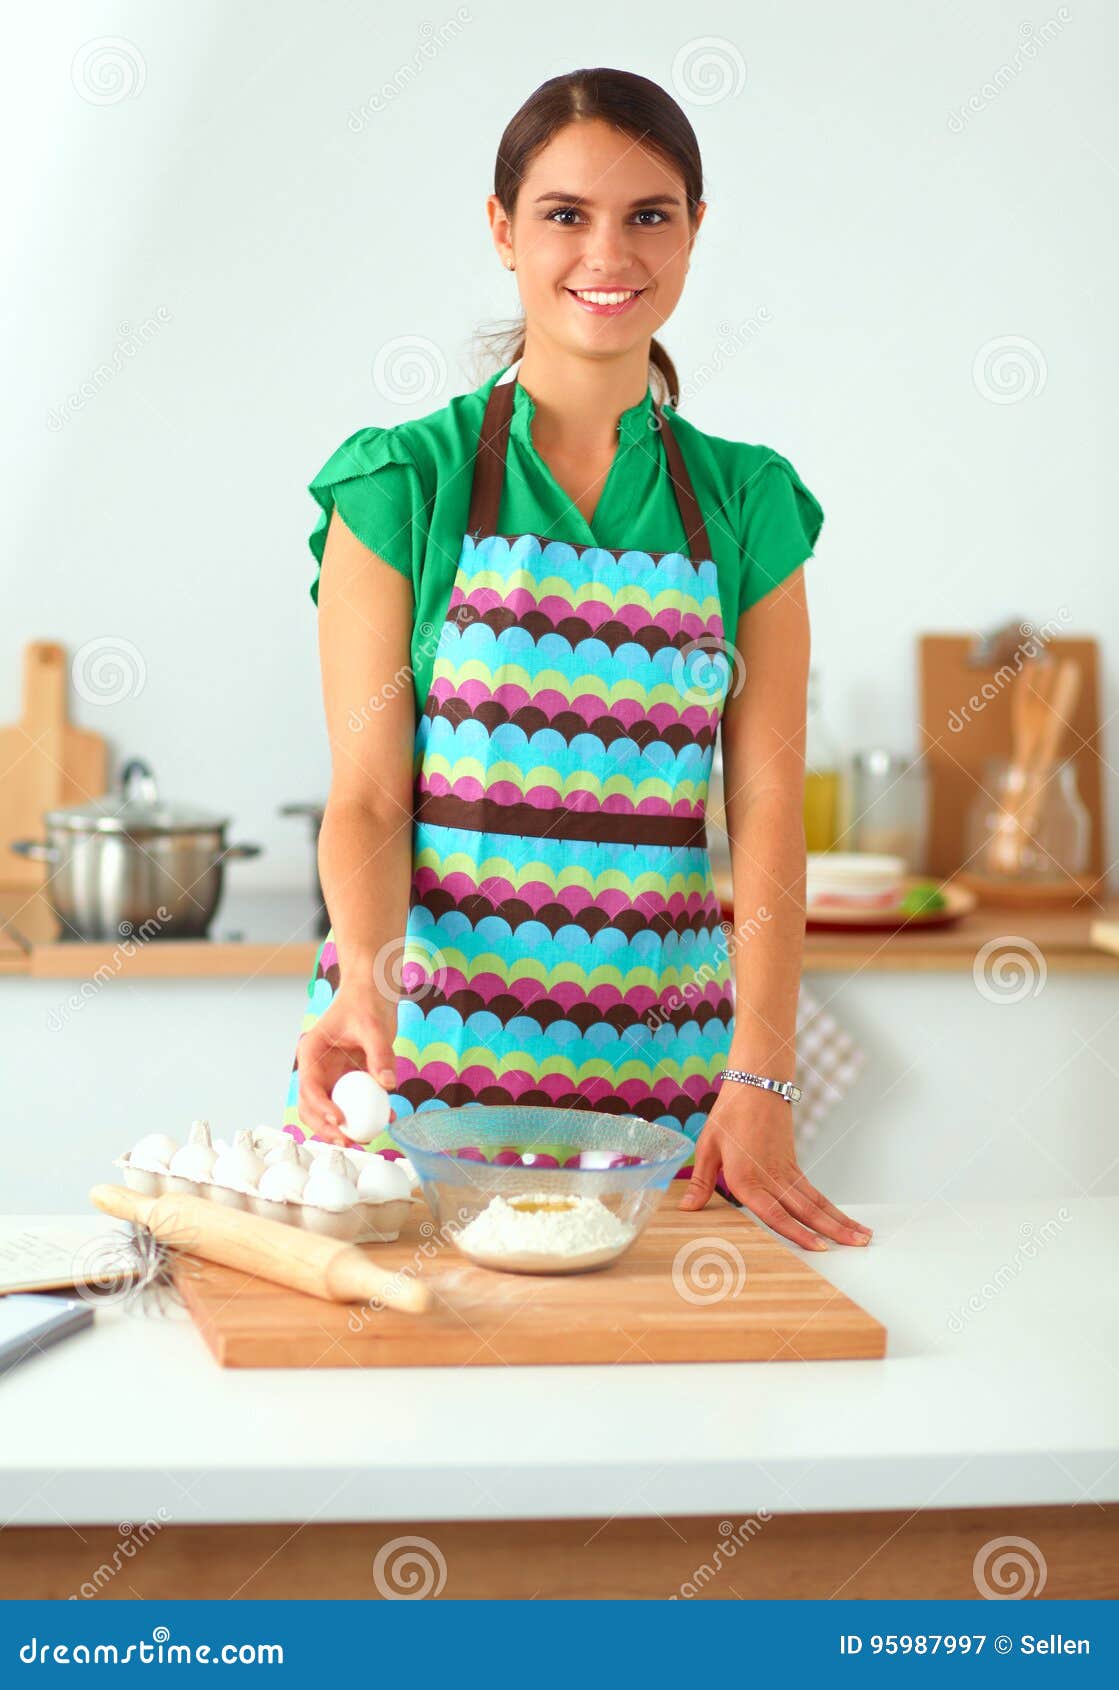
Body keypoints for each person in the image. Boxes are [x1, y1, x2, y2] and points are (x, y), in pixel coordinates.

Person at [283, 67, 871, 1252]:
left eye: (650, 214)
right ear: (503, 230)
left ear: (695, 231)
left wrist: (761, 1077)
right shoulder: (405, 483)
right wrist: (365, 985)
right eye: (566, 214)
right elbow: (369, 797)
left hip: (668, 1106)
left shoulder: (746, 500)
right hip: (420, 1076)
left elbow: (763, 813)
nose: (610, 251)